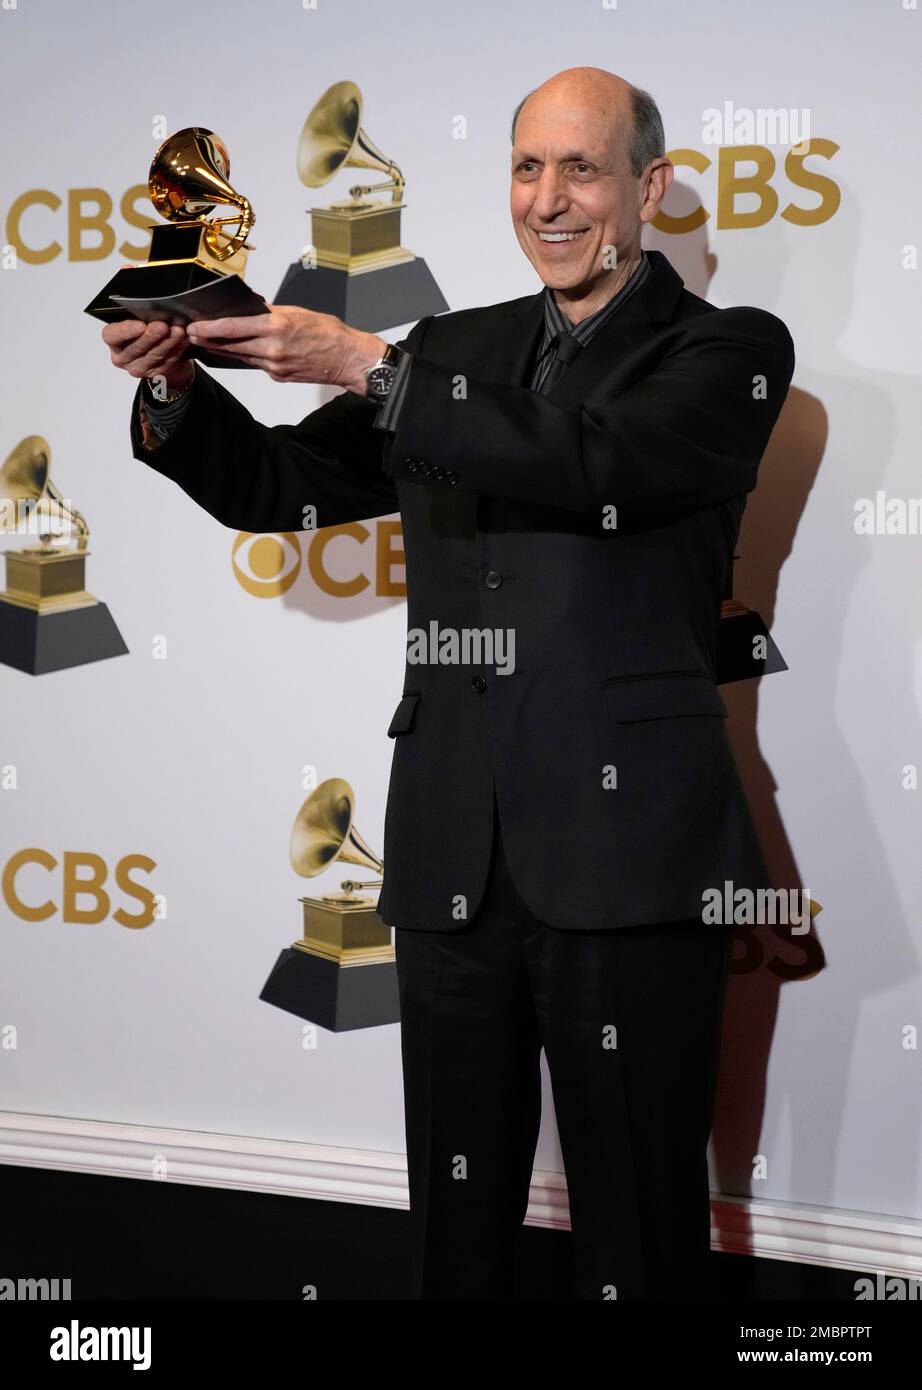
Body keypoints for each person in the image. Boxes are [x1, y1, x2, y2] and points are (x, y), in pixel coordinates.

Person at [101, 66, 795, 1300]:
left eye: (580, 168)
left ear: (651, 185)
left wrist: (372, 365)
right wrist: (174, 384)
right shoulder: (457, 347)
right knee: (456, 1227)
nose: (548, 199)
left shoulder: (727, 352)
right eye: (527, 167)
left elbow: (599, 462)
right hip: (450, 854)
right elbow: (281, 491)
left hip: (630, 853)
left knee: (637, 1227)